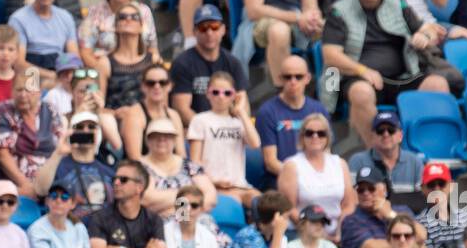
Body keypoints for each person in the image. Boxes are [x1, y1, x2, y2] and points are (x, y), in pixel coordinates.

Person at [321, 0, 451, 149]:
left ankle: (432, 150)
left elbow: (427, 29)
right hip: (362, 78)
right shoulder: (339, 11)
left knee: (438, 84)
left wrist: (425, 37)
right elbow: (330, 56)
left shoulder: (397, 3)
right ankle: (375, 153)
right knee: (361, 93)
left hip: (404, 75)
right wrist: (363, 70)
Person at [341, 165, 423, 248]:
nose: (366, 193)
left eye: (371, 188)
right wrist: (413, 245)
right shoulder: (351, 221)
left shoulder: (401, 210)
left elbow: (422, 236)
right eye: (361, 190)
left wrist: (390, 215)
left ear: (384, 189)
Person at [186, 70, 261, 210]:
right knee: (231, 209)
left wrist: (242, 112)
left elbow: (255, 144)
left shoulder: (239, 122)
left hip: (240, 186)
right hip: (211, 187)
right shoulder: (200, 120)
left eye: (227, 93)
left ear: (234, 95)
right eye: (216, 92)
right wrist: (212, 182)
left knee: (266, 206)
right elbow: (195, 163)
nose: (221, 97)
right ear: (208, 94)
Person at [241, 0, 325, 87]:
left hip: (296, 16)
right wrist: (297, 17)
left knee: (335, 29)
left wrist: (313, 18)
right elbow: (254, 10)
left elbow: (310, 5)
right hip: (262, 19)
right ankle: (282, 92)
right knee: (279, 31)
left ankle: (332, 93)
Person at [277, 113, 353, 240]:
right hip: (301, 233)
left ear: (327, 137)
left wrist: (340, 232)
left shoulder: (340, 163)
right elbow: (289, 207)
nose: (315, 136)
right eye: (309, 133)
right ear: (302, 137)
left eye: (321, 133)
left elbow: (348, 205)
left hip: (337, 232)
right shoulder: (291, 165)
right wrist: (320, 235)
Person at [171, 4, 249, 125]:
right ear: (195, 32)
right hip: (195, 131)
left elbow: (242, 102)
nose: (209, 32)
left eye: (214, 27)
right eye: (203, 28)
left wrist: (235, 128)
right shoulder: (182, 63)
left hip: (228, 129)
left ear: (223, 29)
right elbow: (182, 108)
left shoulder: (233, 62)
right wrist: (207, 131)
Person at [79, 0, 159, 82]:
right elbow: (85, 52)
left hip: (141, 73)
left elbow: (153, 49)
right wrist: (105, 73)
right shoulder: (94, 13)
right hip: (104, 72)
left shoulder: (144, 12)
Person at [0, 74, 64, 197]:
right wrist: (25, 185)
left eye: (28, 90)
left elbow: (60, 145)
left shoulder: (50, 109)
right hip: (15, 180)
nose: (23, 95)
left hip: (49, 178)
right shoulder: (3, 110)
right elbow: (3, 154)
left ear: (39, 92)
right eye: (19, 90)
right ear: (12, 91)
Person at [254, 56, 326, 180]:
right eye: (288, 77)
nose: (293, 82)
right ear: (280, 79)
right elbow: (271, 163)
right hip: (280, 182)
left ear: (308, 78)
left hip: (316, 182)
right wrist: (303, 177)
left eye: (299, 77)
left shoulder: (319, 110)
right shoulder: (267, 112)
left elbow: (326, 152)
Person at [34, 111, 113, 220]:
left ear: (98, 133)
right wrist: (58, 153)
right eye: (79, 127)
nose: (86, 131)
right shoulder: (57, 164)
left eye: (91, 127)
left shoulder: (108, 170)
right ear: (71, 132)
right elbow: (40, 190)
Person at [138, 117, 217, 220]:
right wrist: (191, 196)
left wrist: (180, 211)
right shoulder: (139, 167)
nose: (162, 139)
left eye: (167, 136)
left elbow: (210, 196)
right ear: (147, 140)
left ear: (174, 140)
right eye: (156, 135)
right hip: (158, 225)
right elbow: (147, 200)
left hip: (195, 220)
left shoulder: (189, 166)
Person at [9, 0, 78, 78]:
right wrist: (51, 76)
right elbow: (18, 64)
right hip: (31, 73)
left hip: (59, 68)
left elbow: (74, 57)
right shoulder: (18, 19)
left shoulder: (66, 17)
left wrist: (65, 75)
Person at [347, 112, 426, 197]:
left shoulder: (415, 162)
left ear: (400, 135)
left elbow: (421, 199)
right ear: (372, 136)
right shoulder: (357, 161)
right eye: (380, 131)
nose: (386, 134)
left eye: (391, 130)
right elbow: (352, 197)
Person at [28, 177, 92, 248]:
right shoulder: (37, 230)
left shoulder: (79, 227)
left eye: (64, 197)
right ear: (47, 201)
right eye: (54, 196)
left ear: (73, 204)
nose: (58, 200)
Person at [99, 1, 153, 111]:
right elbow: (100, 106)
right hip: (116, 120)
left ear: (142, 26)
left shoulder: (152, 60)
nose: (128, 20)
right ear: (116, 26)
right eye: (122, 17)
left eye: (134, 17)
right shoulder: (105, 63)